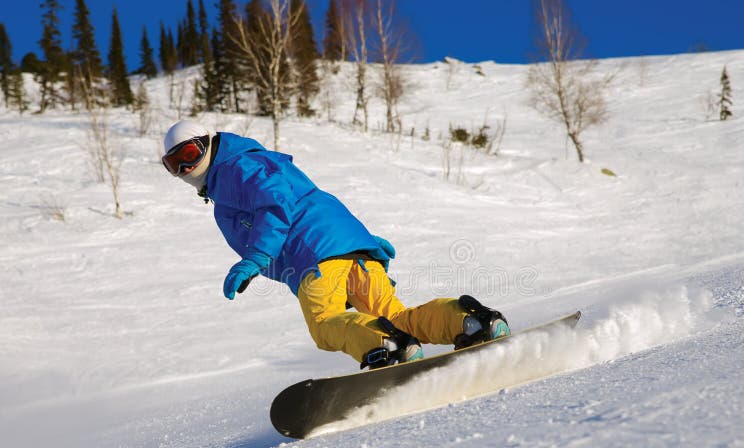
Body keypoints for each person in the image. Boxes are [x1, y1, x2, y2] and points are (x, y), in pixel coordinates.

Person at [161, 120, 510, 369]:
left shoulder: (234, 169)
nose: (185, 167)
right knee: (394, 316)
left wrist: (255, 258)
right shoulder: (245, 168)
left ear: (208, 143)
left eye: (189, 153)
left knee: (326, 325)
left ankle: (385, 346)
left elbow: (276, 204)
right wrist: (360, 245)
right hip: (348, 248)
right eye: (173, 164)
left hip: (314, 253)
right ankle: (470, 322)